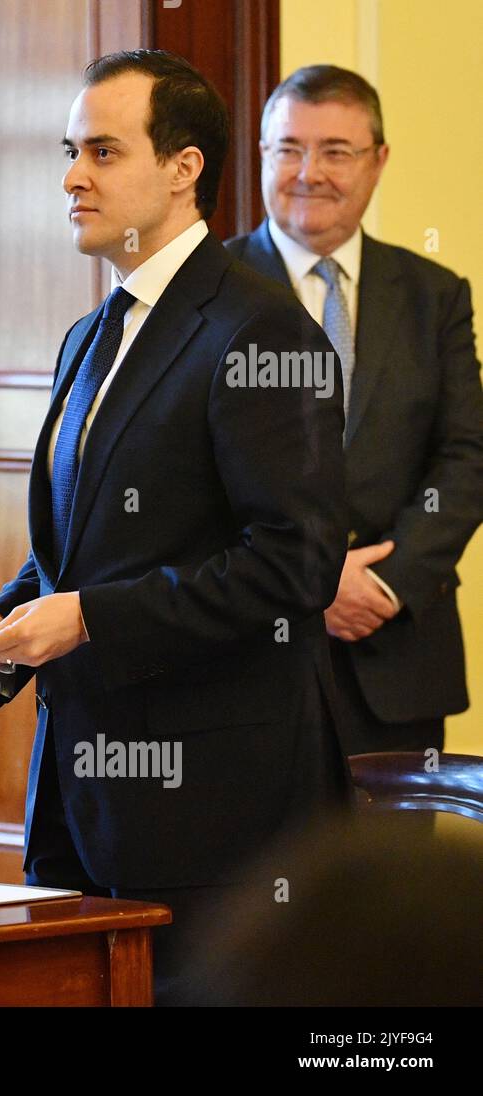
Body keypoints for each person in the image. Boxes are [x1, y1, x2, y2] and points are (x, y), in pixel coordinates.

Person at [0, 50, 350, 1003]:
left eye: (103, 151)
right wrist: (3, 626)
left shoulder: (260, 331)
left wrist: (89, 621)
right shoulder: (96, 332)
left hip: (215, 812)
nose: (73, 176)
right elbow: (81, 556)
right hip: (80, 795)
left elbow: (298, 563)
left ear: (184, 168)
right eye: (71, 151)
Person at [227, 64, 483, 756]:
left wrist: (385, 583)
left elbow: (466, 457)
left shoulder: (435, 295)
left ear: (378, 161)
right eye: (288, 148)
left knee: (396, 868)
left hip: (397, 656)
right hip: (246, 662)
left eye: (336, 151)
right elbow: (179, 477)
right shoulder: (205, 295)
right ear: (262, 156)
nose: (309, 172)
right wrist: (312, 580)